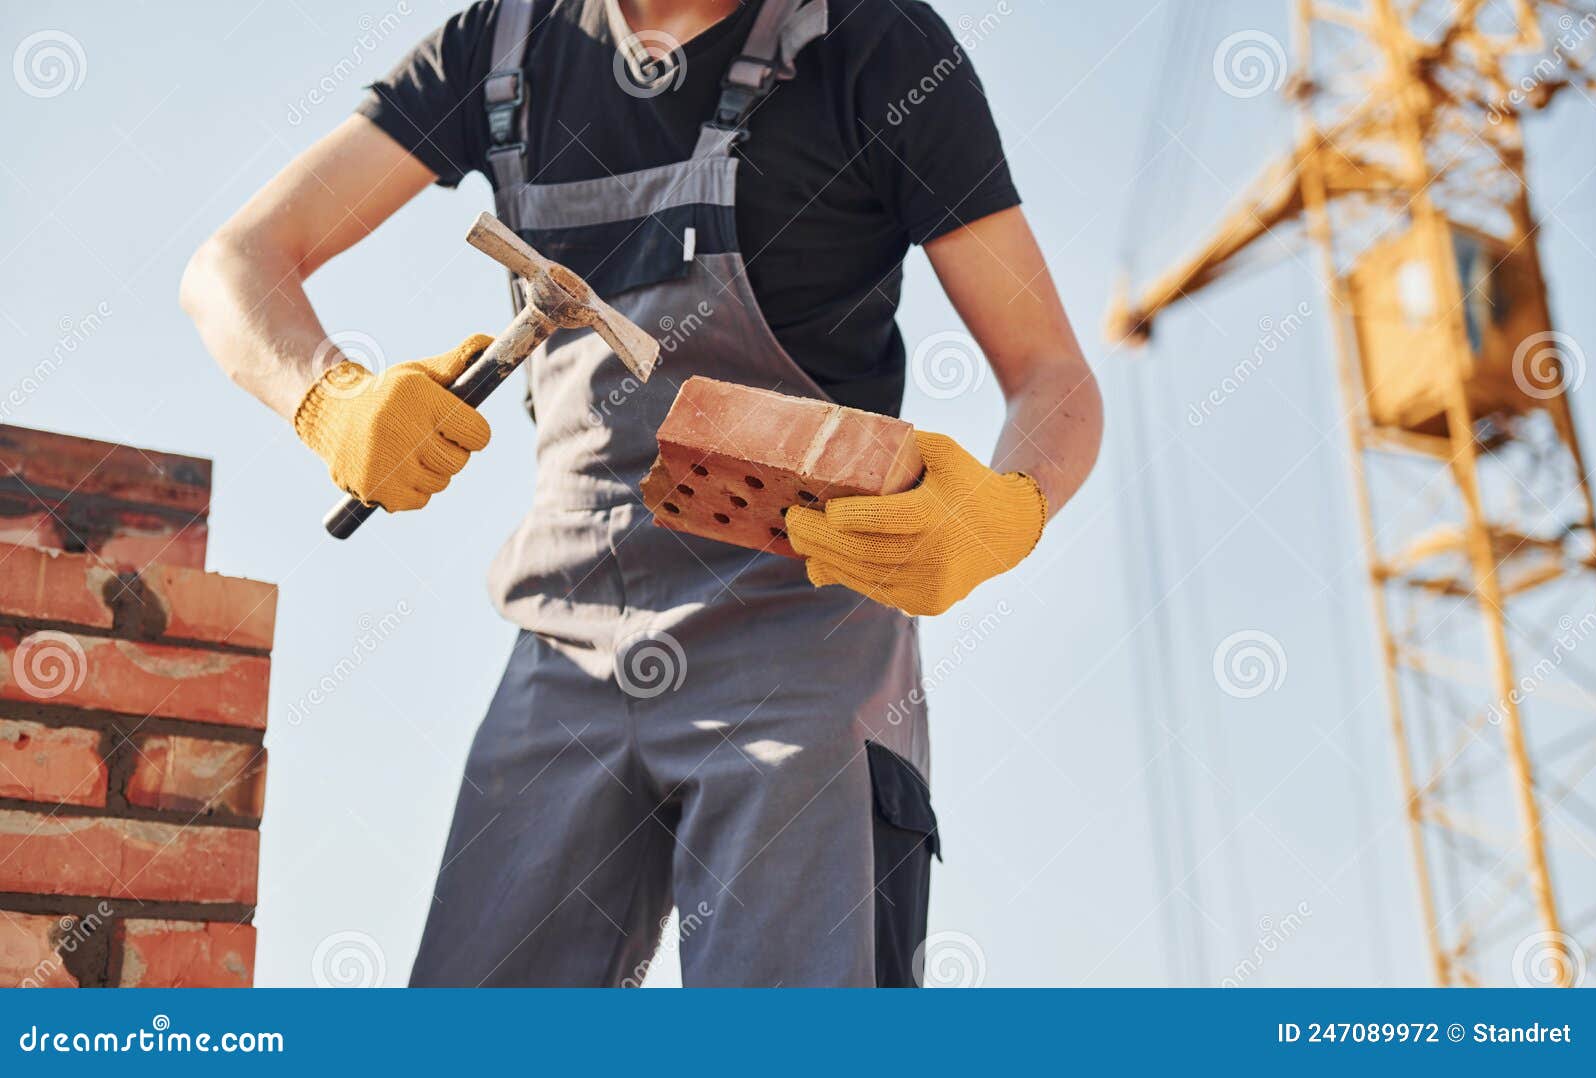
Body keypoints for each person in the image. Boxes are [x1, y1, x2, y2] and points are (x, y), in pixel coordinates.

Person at [180, 0, 1102, 987]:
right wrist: (328, 398)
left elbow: (1053, 376)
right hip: (566, 641)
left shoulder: (876, 46)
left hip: (807, 645)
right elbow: (232, 265)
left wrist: (1006, 508)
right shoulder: (499, 50)